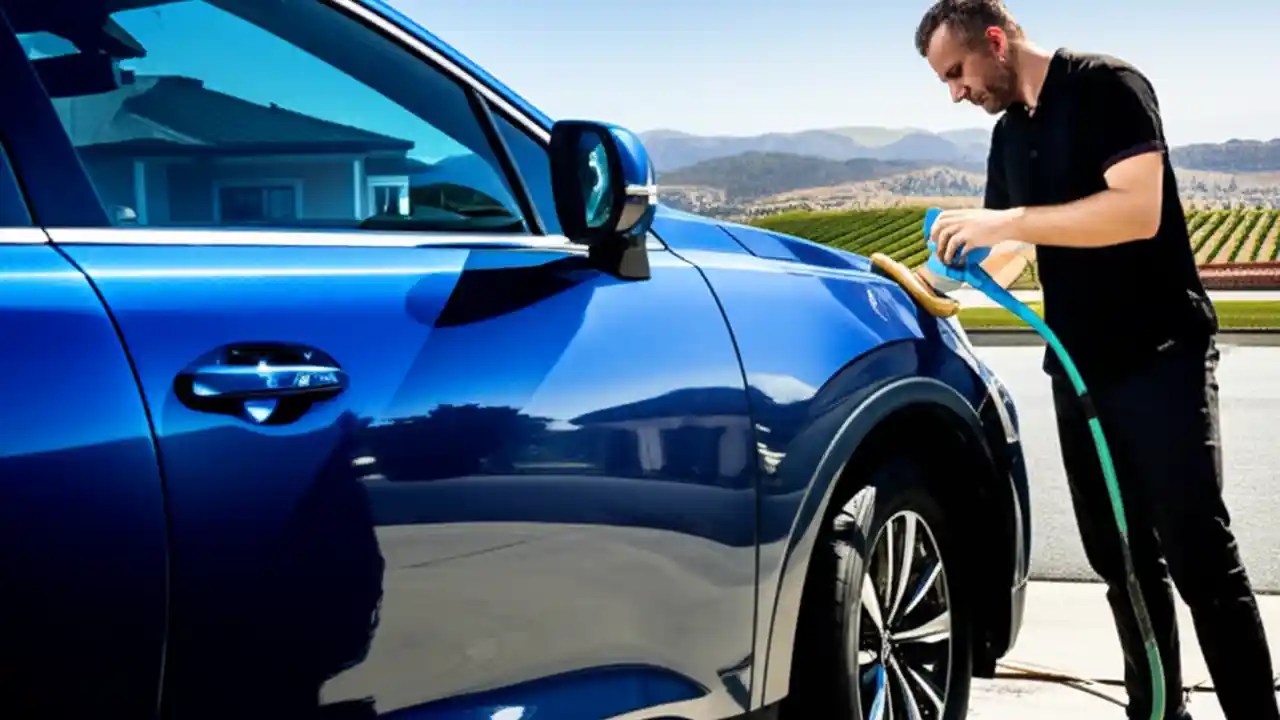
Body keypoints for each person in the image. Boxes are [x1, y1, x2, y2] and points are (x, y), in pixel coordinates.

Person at [911, 2, 1279, 718]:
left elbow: (1134, 211)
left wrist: (1007, 222)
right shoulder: (1009, 139)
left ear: (996, 39)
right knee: (1123, 565)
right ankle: (1158, 711)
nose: (956, 92)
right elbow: (1014, 254)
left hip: (1160, 358)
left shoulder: (1109, 87)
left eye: (956, 72)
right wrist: (940, 281)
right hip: (1079, 376)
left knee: (1199, 555)